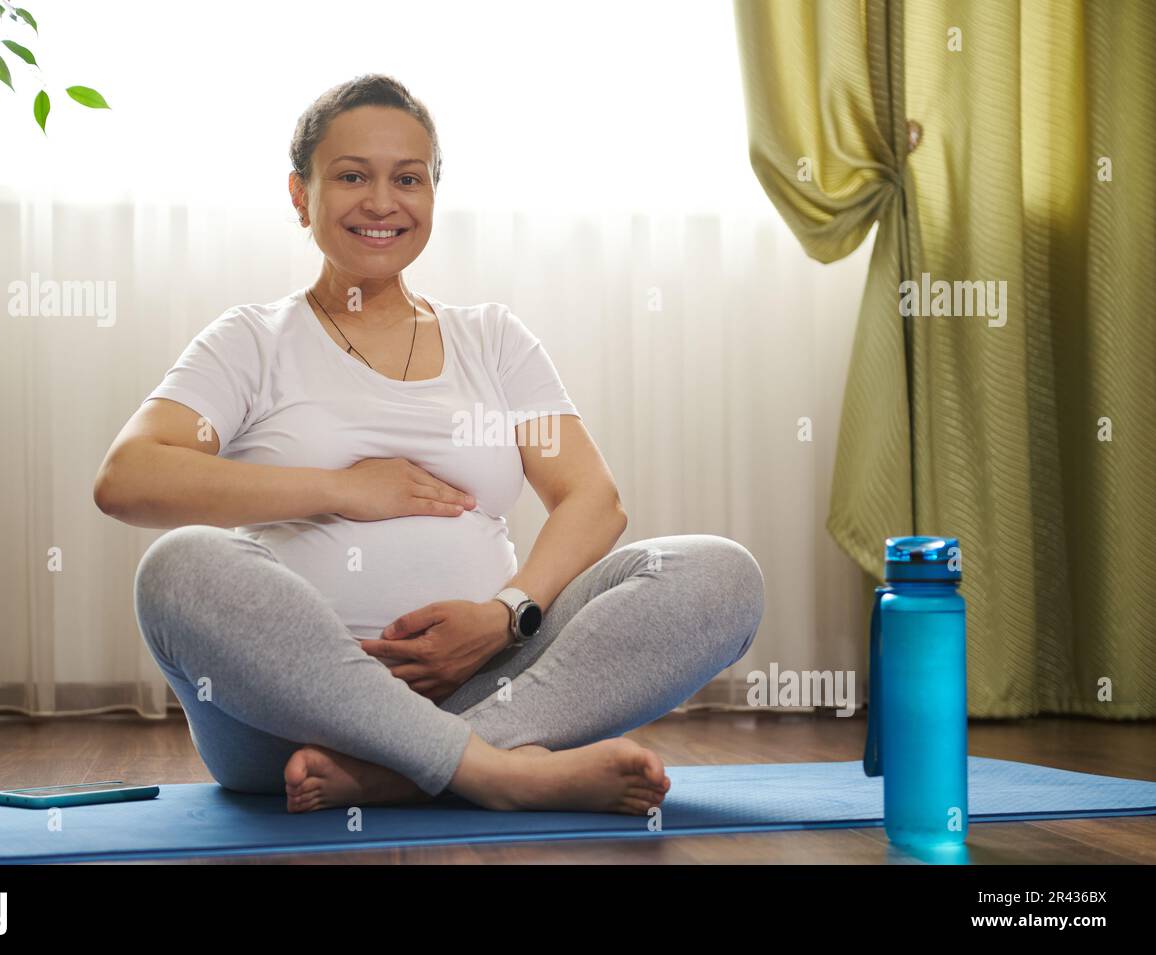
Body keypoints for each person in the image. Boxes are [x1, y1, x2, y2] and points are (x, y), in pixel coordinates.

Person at [93, 74, 764, 815]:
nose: (382, 202)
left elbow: (594, 500)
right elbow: (127, 476)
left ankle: (413, 770)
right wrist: (343, 486)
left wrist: (506, 614)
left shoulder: (494, 339)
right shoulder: (252, 341)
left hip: (492, 678)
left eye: (407, 178)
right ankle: (499, 770)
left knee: (719, 575)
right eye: (351, 176)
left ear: (433, 193)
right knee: (179, 567)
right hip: (290, 719)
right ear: (299, 195)